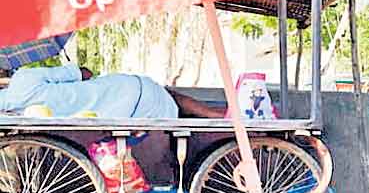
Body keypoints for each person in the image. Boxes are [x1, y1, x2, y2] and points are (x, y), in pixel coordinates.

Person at [0, 64, 221, 118]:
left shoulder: (9, 112)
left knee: (172, 110)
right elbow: (84, 72)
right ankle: (219, 116)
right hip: (125, 89)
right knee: (168, 96)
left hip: (120, 114)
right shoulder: (24, 78)